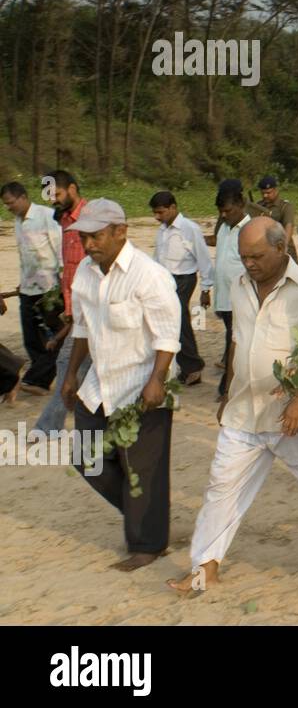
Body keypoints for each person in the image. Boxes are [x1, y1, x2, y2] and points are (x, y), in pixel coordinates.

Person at [168, 218, 298, 595]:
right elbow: (237, 342)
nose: (249, 264)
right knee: (221, 485)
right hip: (244, 409)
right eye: (243, 257)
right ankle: (205, 565)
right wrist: (226, 394)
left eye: (256, 256)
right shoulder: (238, 285)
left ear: (281, 248)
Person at [62, 199, 181, 571]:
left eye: (96, 236)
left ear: (120, 232)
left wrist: (156, 381)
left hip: (142, 385)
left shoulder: (149, 275)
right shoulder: (85, 271)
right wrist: (71, 374)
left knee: (142, 469)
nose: (89, 245)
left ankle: (148, 544)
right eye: (84, 238)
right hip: (99, 384)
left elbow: (167, 336)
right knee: (87, 458)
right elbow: (82, 327)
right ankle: (144, 515)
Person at [32, 171, 90, 432]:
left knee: (69, 365)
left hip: (93, 308)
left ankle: (48, 427)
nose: (53, 200)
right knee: (79, 367)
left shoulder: (91, 219)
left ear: (73, 189)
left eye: (57, 194)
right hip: (77, 309)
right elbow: (69, 269)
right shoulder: (65, 221)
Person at [1, 181, 62, 398]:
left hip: (50, 289)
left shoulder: (46, 217)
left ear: (23, 197)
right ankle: (41, 379)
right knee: (31, 339)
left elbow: (60, 250)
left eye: (10, 203)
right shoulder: (18, 222)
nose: (8, 208)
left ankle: (38, 379)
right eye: (5, 205)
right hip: (27, 288)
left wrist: (64, 282)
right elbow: (26, 257)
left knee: (57, 336)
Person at [149, 192, 213, 386]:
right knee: (168, 323)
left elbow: (204, 258)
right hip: (165, 280)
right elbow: (157, 257)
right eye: (155, 213)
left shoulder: (189, 229)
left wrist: (205, 288)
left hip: (184, 279)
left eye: (161, 212)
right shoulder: (162, 230)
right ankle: (183, 367)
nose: (157, 217)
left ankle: (193, 367)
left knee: (179, 321)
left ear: (173, 208)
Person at [213, 182, 252, 399]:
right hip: (224, 297)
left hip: (241, 299)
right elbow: (220, 262)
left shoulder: (249, 230)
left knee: (234, 342)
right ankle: (230, 385)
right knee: (232, 341)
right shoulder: (224, 229)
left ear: (241, 205)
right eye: (221, 212)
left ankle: (226, 388)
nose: (224, 215)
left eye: (228, 211)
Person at [257, 176, 298, 263]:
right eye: (263, 193)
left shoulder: (285, 207)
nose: (265, 196)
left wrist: (284, 248)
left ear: (276, 190)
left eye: (268, 193)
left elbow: (288, 226)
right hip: (266, 249)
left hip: (284, 249)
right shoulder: (259, 206)